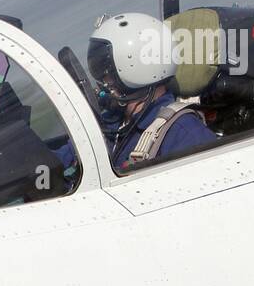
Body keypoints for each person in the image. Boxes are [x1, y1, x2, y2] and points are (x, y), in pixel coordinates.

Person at [61, 12, 217, 171]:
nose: (102, 80)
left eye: (106, 71)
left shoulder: (184, 134)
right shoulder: (111, 124)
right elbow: (59, 162)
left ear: (134, 65)